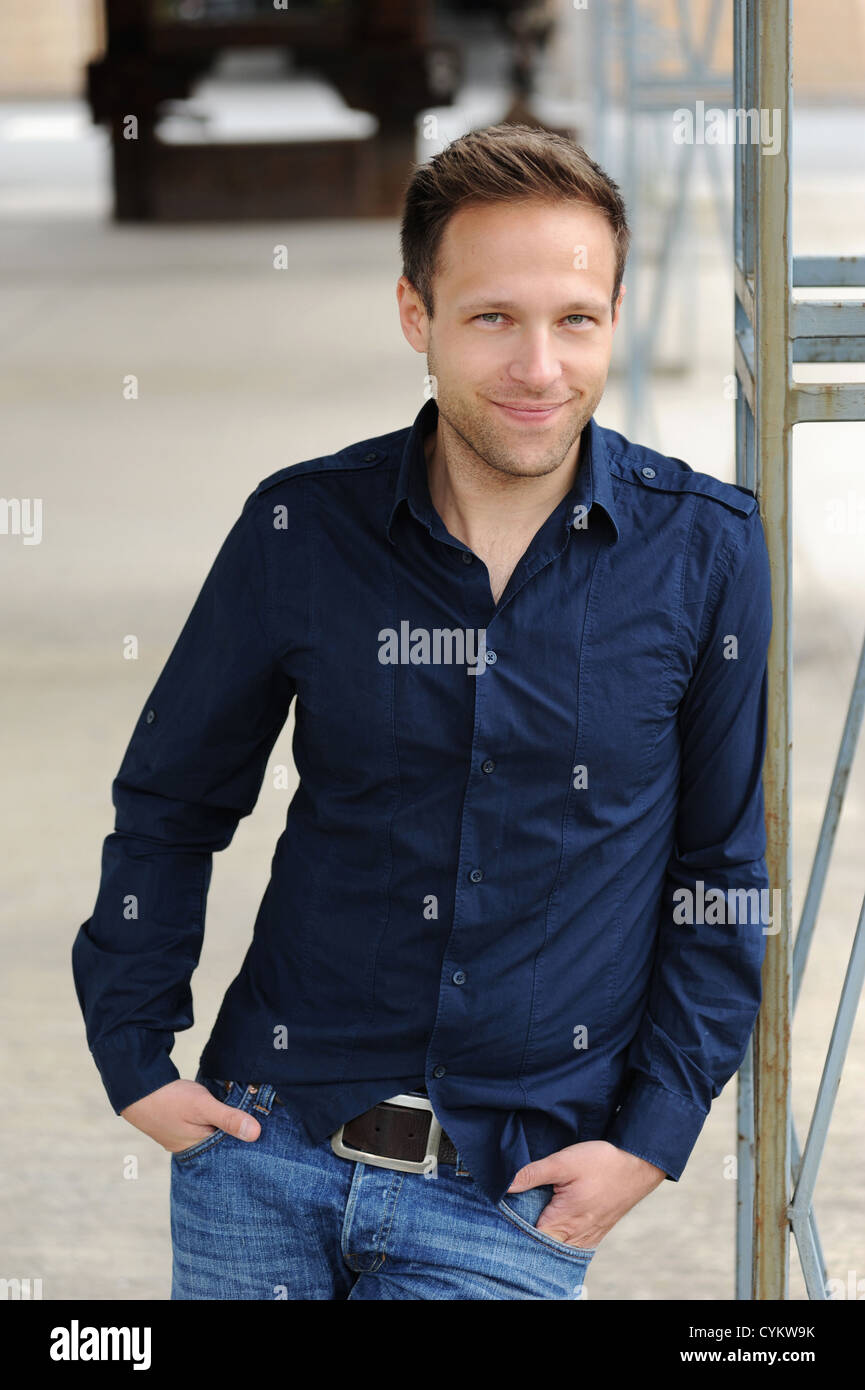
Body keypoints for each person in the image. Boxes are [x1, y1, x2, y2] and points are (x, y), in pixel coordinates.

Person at [72, 122, 773, 1301]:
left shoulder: (705, 553)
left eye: (575, 321)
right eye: (493, 317)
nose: (538, 367)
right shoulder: (300, 529)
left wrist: (652, 1137)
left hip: (512, 1190)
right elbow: (170, 801)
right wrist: (132, 1055)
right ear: (416, 315)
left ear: (612, 319)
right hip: (264, 1150)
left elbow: (722, 869)